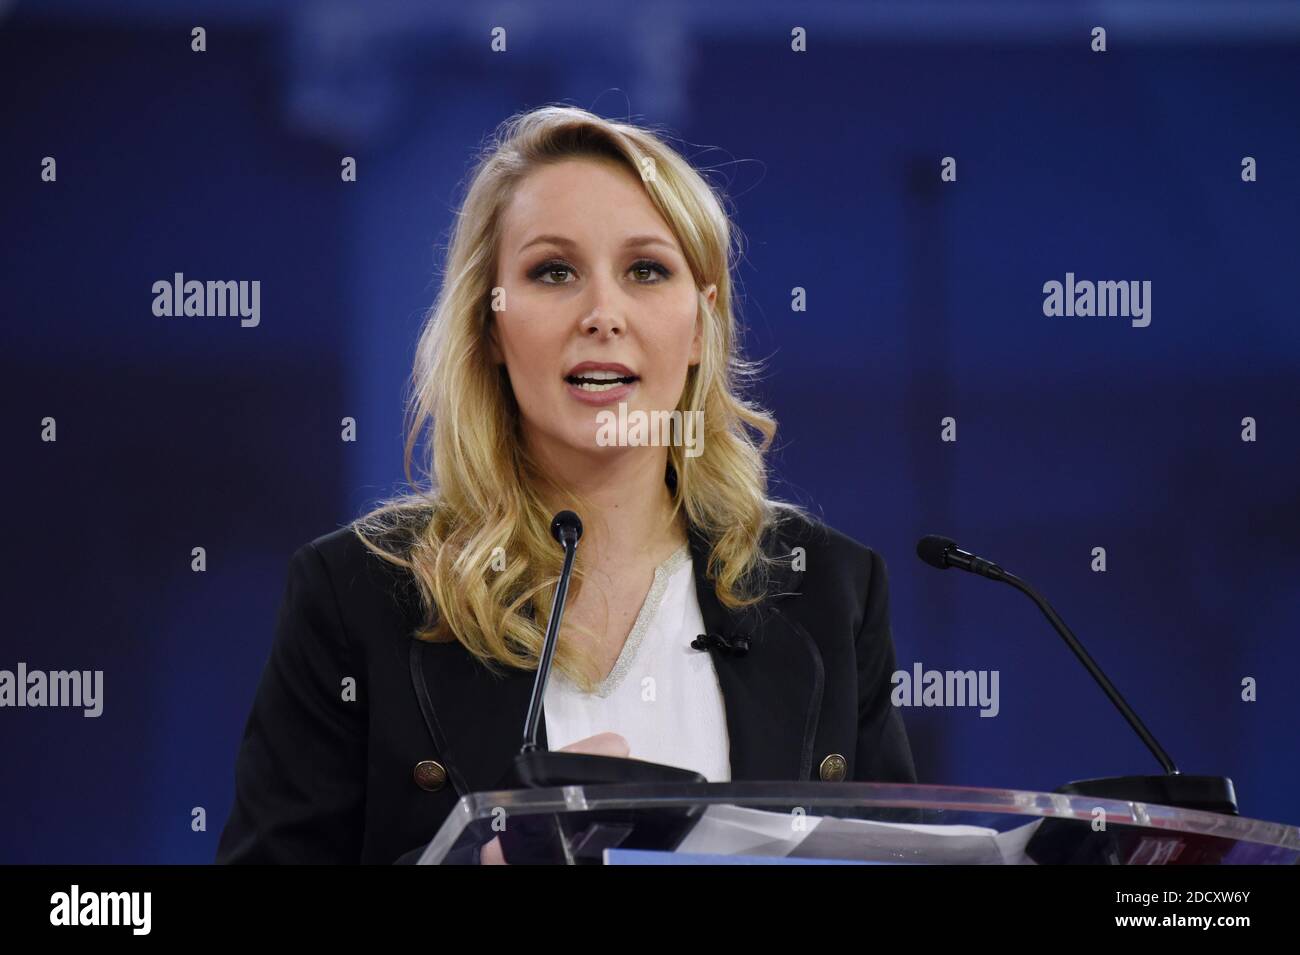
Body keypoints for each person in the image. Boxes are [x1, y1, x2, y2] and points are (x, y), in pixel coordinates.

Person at [216, 104, 916, 865]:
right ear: (489, 323)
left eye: (646, 270)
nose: (602, 314)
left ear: (700, 325)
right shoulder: (355, 594)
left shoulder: (828, 590)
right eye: (554, 272)